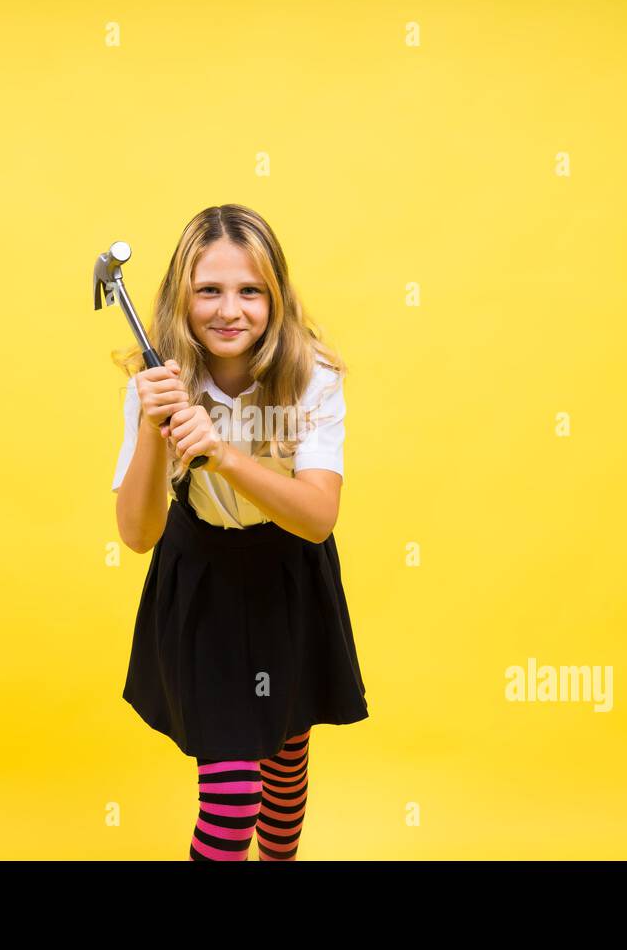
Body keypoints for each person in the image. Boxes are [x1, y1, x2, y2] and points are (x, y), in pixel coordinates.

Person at [110, 204, 369, 860]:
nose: (231, 310)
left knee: (282, 781)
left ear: (275, 297)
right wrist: (152, 427)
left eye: (250, 291)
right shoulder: (158, 387)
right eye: (210, 291)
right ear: (181, 298)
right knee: (232, 803)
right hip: (205, 582)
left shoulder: (311, 375)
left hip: (288, 578)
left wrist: (223, 453)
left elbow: (316, 517)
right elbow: (139, 535)